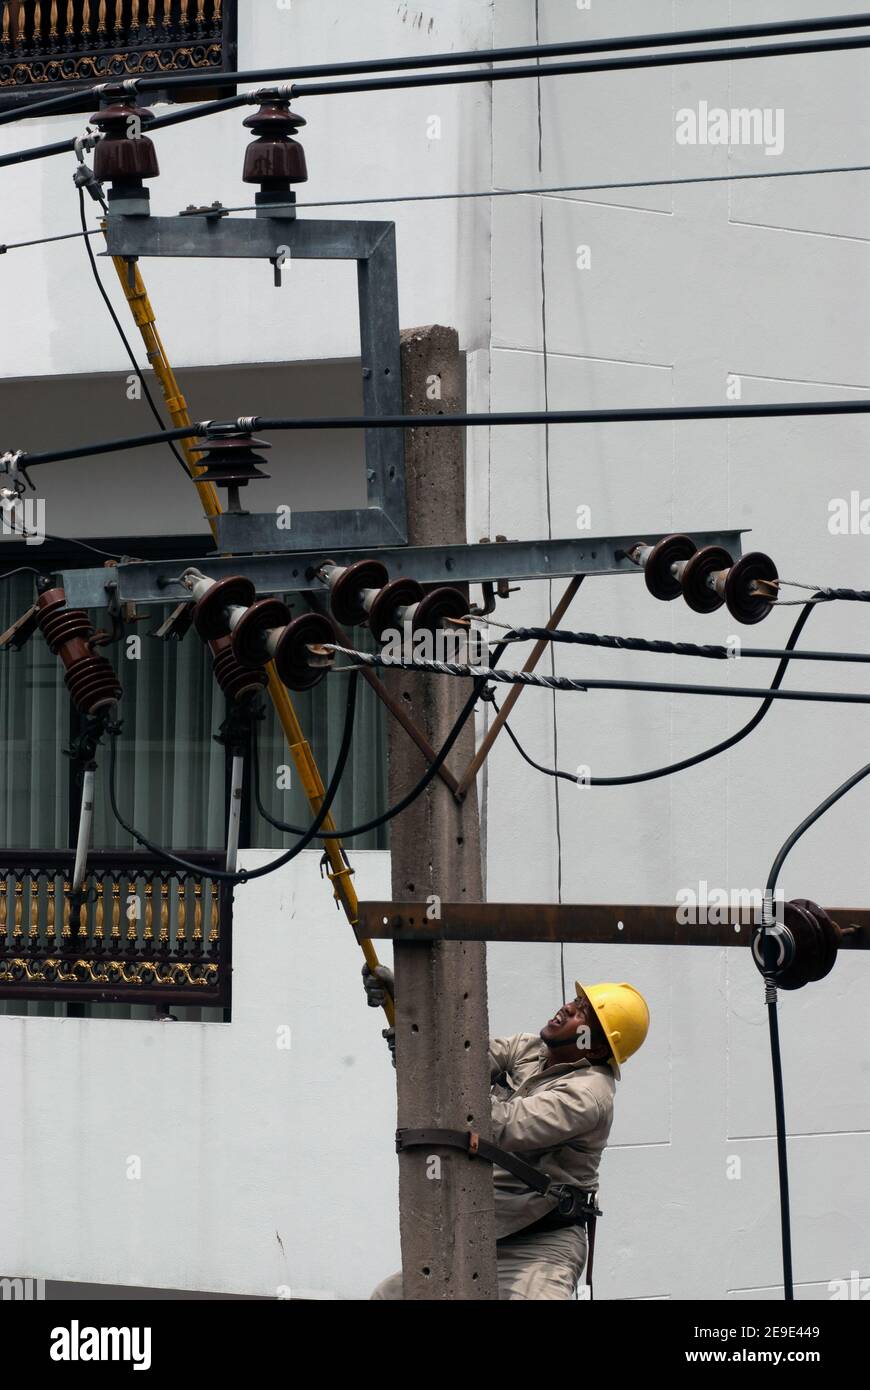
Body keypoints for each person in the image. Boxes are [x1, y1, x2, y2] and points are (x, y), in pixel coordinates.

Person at [365, 967, 650, 1300]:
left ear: (598, 1049)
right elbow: (460, 1060)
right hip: (483, 1229)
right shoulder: (527, 1049)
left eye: (584, 1014)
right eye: (576, 1001)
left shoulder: (588, 1096)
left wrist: (424, 1059)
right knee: (389, 1297)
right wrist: (410, 1006)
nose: (570, 1008)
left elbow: (496, 1123)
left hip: (541, 1244)